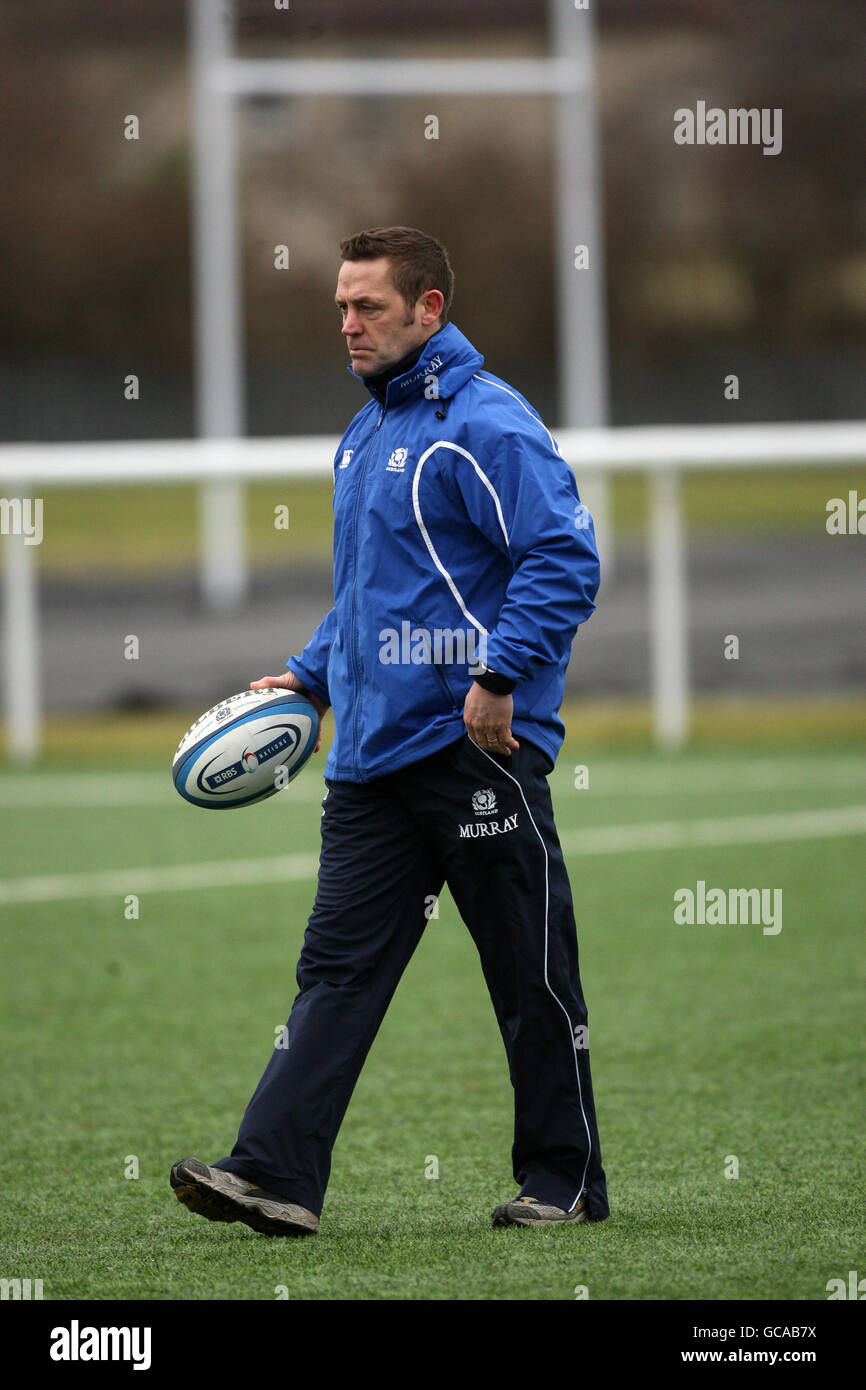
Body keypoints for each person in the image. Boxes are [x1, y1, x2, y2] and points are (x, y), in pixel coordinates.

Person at [171, 226, 609, 1234]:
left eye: (366, 305)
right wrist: (314, 676)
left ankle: (565, 1179)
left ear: (428, 310)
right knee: (333, 972)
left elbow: (560, 558)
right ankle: (274, 1174)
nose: (347, 323)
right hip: (368, 760)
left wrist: (500, 676)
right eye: (339, 305)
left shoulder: (486, 423)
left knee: (528, 976)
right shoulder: (364, 433)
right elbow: (371, 593)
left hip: (472, 751)